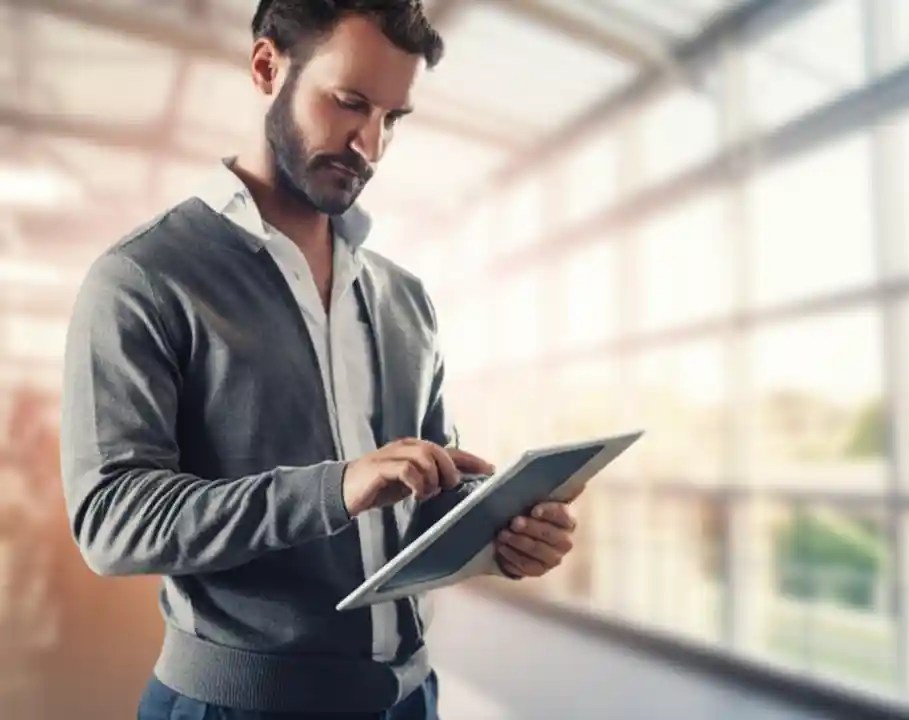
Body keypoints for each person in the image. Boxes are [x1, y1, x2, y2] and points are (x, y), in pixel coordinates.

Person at [58, 2, 579, 717]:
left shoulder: (405, 298)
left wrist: (501, 531)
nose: (371, 143)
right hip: (235, 705)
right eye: (350, 102)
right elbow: (113, 520)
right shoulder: (145, 278)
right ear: (268, 68)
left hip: (407, 698)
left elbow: (414, 497)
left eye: (393, 118)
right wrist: (335, 488)